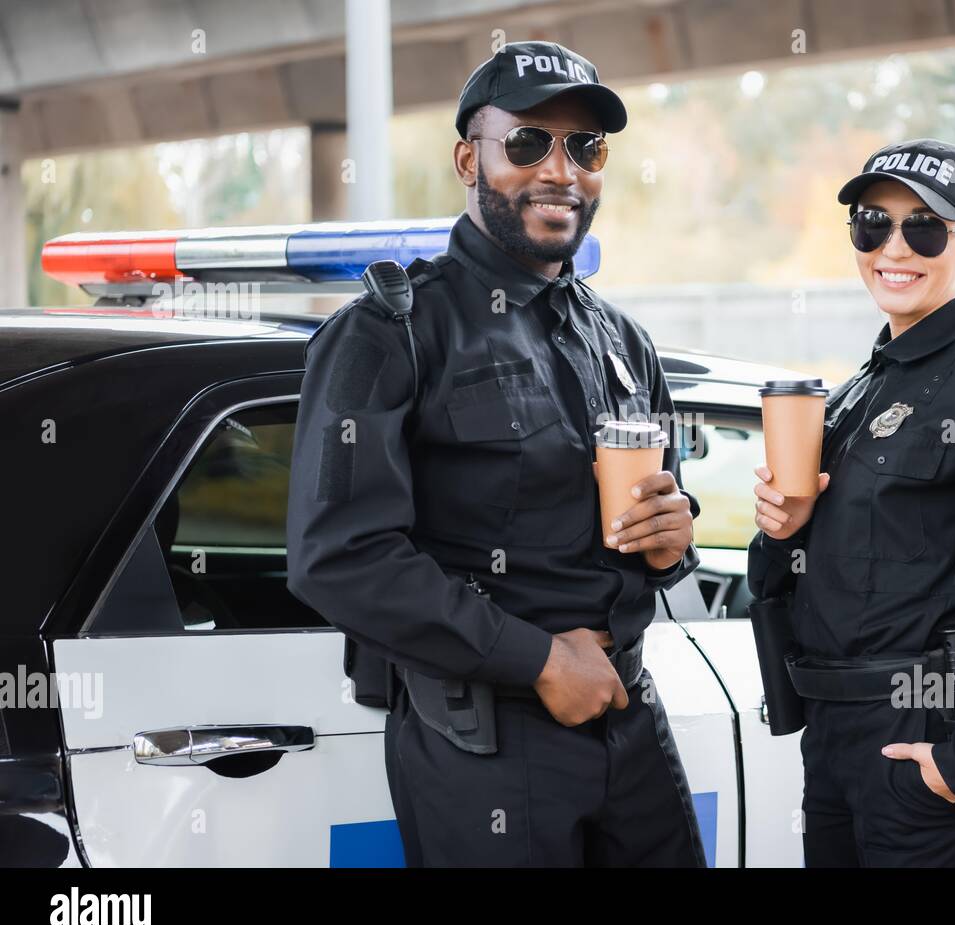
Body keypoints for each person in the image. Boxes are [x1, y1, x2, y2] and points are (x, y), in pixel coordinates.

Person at [286, 40, 707, 867]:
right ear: (466, 159)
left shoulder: (623, 339)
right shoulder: (388, 333)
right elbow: (338, 556)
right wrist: (540, 658)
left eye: (585, 147)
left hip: (631, 715)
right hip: (485, 740)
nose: (562, 170)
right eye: (528, 143)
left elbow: (661, 525)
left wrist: (674, 536)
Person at [747, 138, 955, 867]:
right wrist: (781, 532)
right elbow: (786, 584)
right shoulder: (845, 399)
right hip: (834, 747)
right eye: (874, 223)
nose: (894, 246)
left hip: (924, 746)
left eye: (925, 226)